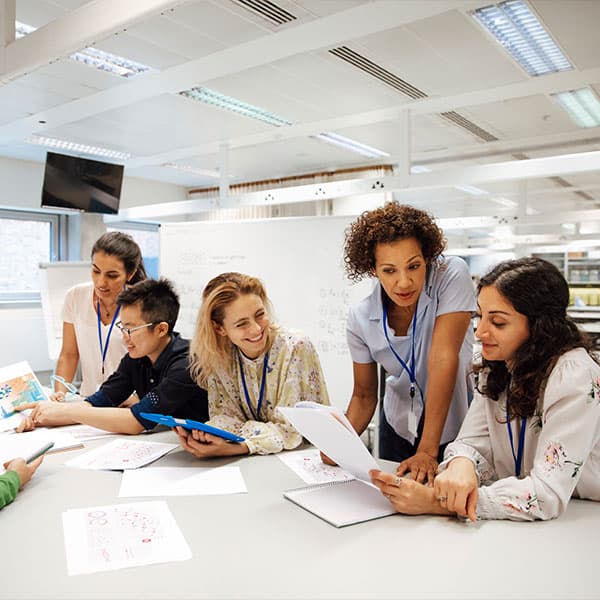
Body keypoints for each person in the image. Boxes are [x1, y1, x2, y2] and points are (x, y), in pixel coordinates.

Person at [370, 257, 600, 521]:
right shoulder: (497, 365)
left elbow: (545, 494)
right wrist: (462, 465)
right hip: (519, 515)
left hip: (581, 518)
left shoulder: (574, 377)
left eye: (498, 323)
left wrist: (438, 502)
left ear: (539, 327)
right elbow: (470, 442)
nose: (479, 332)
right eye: (479, 316)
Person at [340, 202, 475, 482]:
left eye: (414, 266)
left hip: (453, 423)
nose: (404, 282)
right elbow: (364, 396)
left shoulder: (450, 275)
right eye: (389, 270)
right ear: (372, 269)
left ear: (427, 257)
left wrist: (427, 451)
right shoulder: (361, 317)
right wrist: (339, 444)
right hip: (398, 424)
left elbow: (443, 358)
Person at [16, 278, 208, 434]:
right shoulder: (137, 357)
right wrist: (43, 415)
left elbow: (136, 421)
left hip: (210, 454)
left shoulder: (186, 364)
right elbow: (99, 401)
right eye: (122, 327)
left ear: (161, 329)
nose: (125, 338)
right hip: (172, 443)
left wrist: (67, 411)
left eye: (131, 329)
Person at [177, 272, 330, 458]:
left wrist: (238, 446)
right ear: (220, 328)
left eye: (260, 315)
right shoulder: (220, 355)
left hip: (303, 459)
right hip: (252, 460)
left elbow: (290, 430)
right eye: (241, 324)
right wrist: (208, 434)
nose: (256, 329)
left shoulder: (294, 347)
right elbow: (226, 418)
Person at [53, 231, 147, 399]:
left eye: (112, 276)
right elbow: (69, 355)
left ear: (130, 274)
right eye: (96, 271)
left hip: (126, 403)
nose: (101, 282)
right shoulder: (75, 297)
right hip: (88, 400)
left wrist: (137, 398)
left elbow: (150, 364)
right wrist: (60, 393)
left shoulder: (142, 305)